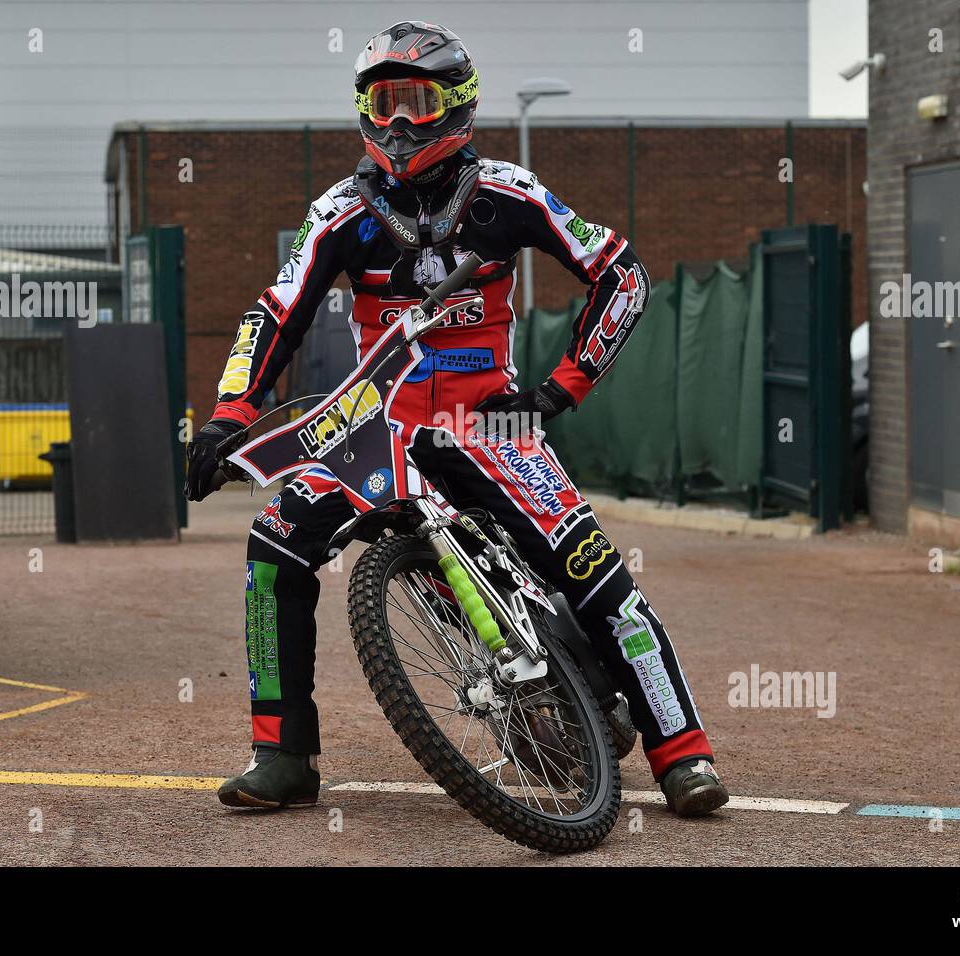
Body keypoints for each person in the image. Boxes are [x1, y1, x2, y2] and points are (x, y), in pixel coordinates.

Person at [185, 21, 728, 817]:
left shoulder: (511, 190)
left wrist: (559, 390)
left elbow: (622, 273)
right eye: (383, 102)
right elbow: (275, 312)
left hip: (491, 423)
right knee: (272, 545)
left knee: (591, 569)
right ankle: (282, 753)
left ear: (458, 105)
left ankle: (683, 752)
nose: (399, 123)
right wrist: (227, 416)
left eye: (417, 102)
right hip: (376, 428)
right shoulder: (337, 211)